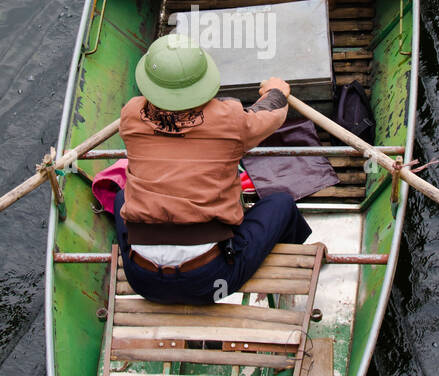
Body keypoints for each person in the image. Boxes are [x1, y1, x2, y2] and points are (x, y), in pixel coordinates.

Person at [113, 35, 312, 305]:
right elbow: (271, 114)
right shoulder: (230, 120)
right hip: (209, 280)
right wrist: (275, 91)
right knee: (282, 204)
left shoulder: (130, 115)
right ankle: (281, 270)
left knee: (121, 197)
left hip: (142, 280)